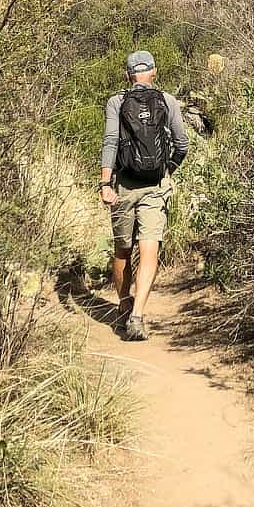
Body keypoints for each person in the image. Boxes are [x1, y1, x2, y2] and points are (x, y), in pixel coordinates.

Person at [99, 50, 189, 341]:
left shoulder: (116, 102)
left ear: (128, 75)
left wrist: (105, 184)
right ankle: (138, 316)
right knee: (150, 249)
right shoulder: (168, 101)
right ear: (154, 72)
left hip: (123, 185)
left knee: (122, 250)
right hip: (155, 185)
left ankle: (125, 307)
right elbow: (182, 144)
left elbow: (111, 142)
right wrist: (167, 171)